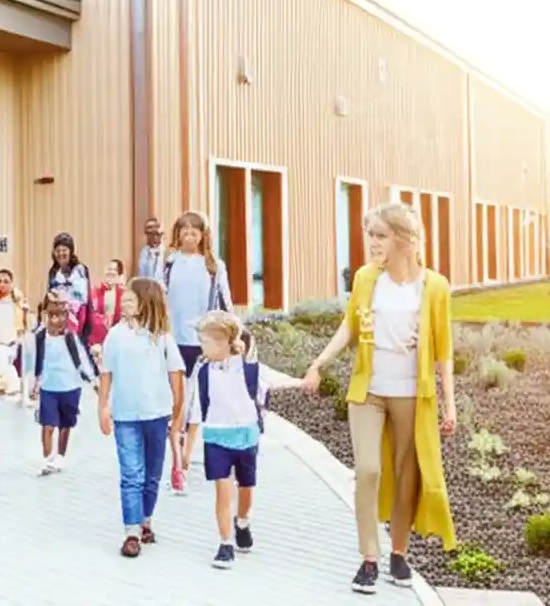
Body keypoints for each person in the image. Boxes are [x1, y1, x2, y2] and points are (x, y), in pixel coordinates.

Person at [302, 201, 458, 594]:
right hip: (368, 391)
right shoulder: (366, 279)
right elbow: (348, 326)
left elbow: (443, 352)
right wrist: (318, 363)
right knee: (369, 469)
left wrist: (450, 404)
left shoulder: (434, 287)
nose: (371, 242)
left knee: (407, 475)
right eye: (369, 233)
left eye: (379, 235)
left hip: (411, 394)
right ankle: (369, 557)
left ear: (403, 240)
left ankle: (399, 553)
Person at [188, 311, 286, 569]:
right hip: (216, 436)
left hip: (245, 434)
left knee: (245, 487)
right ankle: (225, 543)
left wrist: (303, 382)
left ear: (223, 343)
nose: (202, 347)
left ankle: (242, 521)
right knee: (222, 489)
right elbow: (197, 404)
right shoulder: (204, 370)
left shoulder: (247, 367)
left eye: (206, 342)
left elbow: (272, 383)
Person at [97, 277, 185, 558]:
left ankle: (146, 519)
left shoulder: (162, 338)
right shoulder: (115, 335)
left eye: (131, 298)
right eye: (124, 298)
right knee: (131, 474)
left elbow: (176, 379)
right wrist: (103, 407)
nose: (124, 302)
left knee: (152, 474)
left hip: (157, 414)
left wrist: (177, 416)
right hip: (125, 415)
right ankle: (131, 531)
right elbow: (106, 374)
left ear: (146, 301)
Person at [163, 210, 233, 495]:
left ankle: (187, 456)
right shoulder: (168, 263)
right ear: (177, 233)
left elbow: (225, 303)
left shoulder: (213, 266)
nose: (189, 236)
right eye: (185, 231)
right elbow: (157, 297)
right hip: (173, 339)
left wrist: (233, 336)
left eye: (195, 232)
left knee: (195, 404)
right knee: (176, 403)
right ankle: (176, 463)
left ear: (204, 236)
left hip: (202, 342)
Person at [27, 292, 98, 475]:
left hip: (70, 387)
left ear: (65, 317)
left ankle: (60, 455)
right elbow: (35, 361)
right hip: (49, 388)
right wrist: (34, 385)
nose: (54, 319)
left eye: (58, 315)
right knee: (47, 425)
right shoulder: (41, 337)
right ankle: (47, 459)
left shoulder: (70, 337)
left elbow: (82, 359)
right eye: (51, 315)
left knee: (65, 425)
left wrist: (92, 380)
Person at [0, 268, 32, 404]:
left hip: (14, 341)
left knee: (19, 372)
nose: (2, 284)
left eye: (5, 281)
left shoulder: (17, 300)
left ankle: (24, 396)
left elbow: (27, 323)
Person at [47, 232, 93, 340]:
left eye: (64, 250)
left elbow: (83, 297)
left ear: (70, 251)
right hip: (58, 316)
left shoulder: (80, 270)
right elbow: (49, 293)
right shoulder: (53, 272)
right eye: (58, 251)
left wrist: (65, 299)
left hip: (77, 316)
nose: (61, 254)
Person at [88, 259, 127, 350]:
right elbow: (92, 312)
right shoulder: (96, 292)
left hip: (117, 337)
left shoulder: (124, 294)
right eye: (109, 269)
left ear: (119, 275)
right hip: (99, 336)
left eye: (114, 270)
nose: (110, 272)